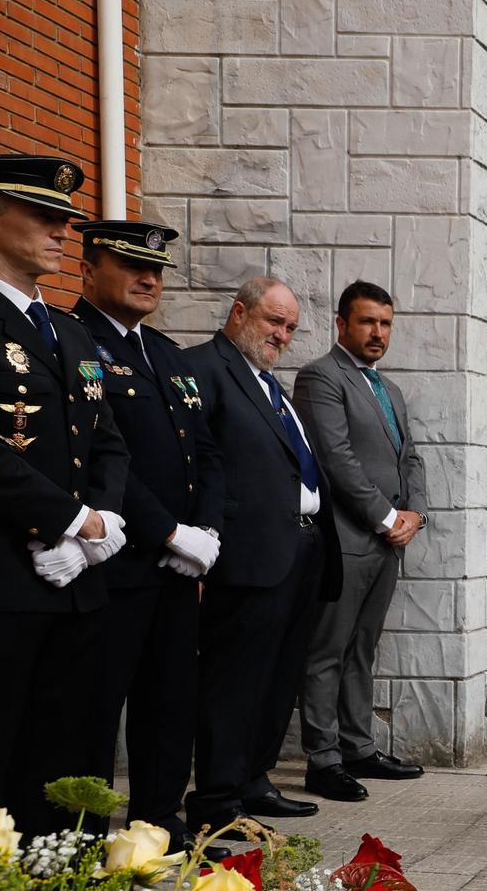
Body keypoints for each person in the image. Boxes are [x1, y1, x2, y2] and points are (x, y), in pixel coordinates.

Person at [0, 155, 129, 838]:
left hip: (79, 587)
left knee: (67, 767)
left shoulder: (70, 331)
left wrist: (101, 528)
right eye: (43, 216)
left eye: (65, 218)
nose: (63, 231)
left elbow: (109, 439)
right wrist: (70, 519)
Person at [73, 219, 221, 848]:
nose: (148, 278)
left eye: (156, 269)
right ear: (87, 269)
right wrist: (167, 533)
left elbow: (207, 452)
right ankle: (78, 831)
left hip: (178, 570)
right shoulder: (70, 339)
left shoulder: (164, 353)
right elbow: (105, 457)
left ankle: (157, 819)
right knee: (95, 711)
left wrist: (206, 533)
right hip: (115, 565)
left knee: (169, 703)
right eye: (131, 265)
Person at [181, 276, 341, 830]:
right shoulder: (201, 368)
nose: (282, 335)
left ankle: (253, 780)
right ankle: (217, 802)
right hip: (244, 556)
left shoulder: (272, 386)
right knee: (234, 681)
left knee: (278, 677)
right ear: (239, 312)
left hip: (299, 551)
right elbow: (196, 466)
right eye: (275, 321)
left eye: (291, 328)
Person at [292, 280, 427, 802]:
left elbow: (409, 456)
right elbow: (335, 457)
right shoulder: (321, 377)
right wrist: (385, 516)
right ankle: (322, 760)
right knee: (327, 650)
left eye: (386, 323)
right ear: (342, 324)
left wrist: (414, 513)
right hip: (347, 539)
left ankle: (358, 748)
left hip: (388, 541)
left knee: (363, 650)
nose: (377, 333)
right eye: (368, 322)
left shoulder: (388, 389)